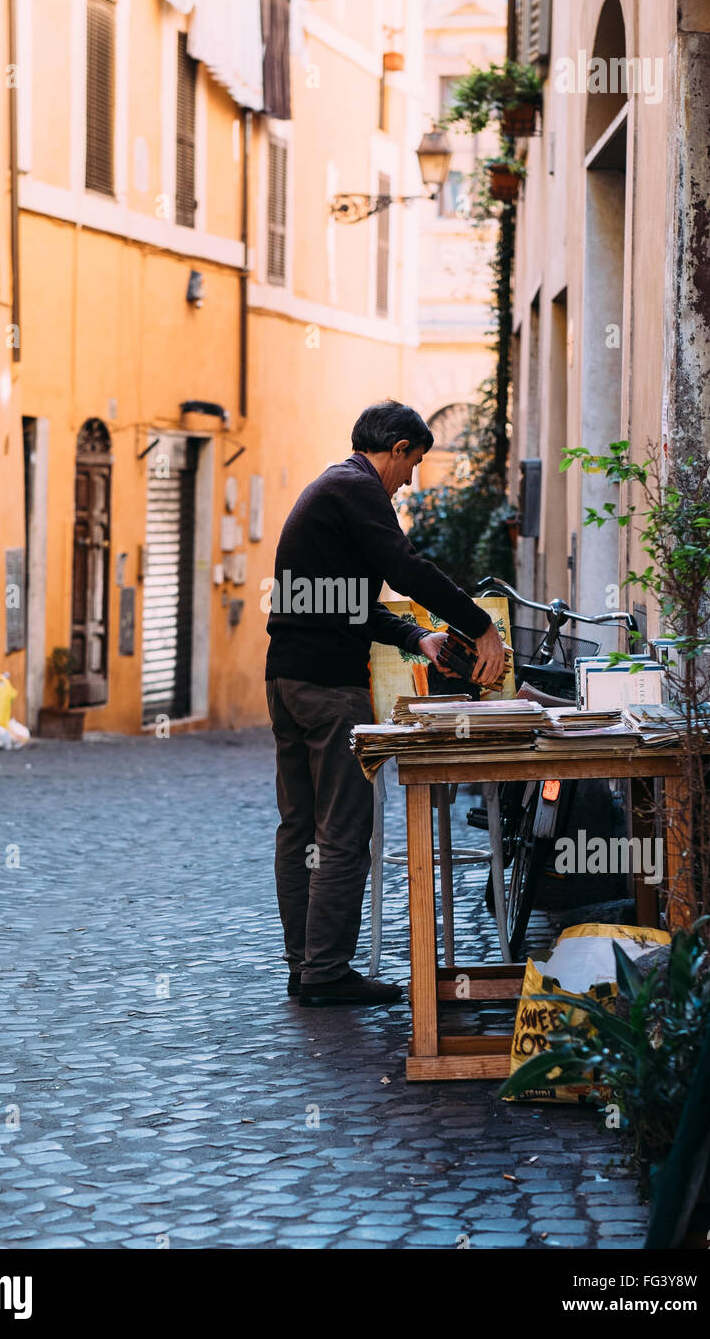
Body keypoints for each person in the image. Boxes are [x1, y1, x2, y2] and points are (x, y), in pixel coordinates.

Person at [265, 399, 506, 1006]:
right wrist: (480, 626)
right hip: (328, 689)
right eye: (413, 463)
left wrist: (417, 637)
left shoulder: (330, 489)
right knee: (343, 830)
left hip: (288, 681)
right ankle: (326, 974)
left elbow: (342, 603)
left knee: (300, 827)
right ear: (397, 449)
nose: (409, 481)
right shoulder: (358, 488)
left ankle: (306, 965)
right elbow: (405, 569)